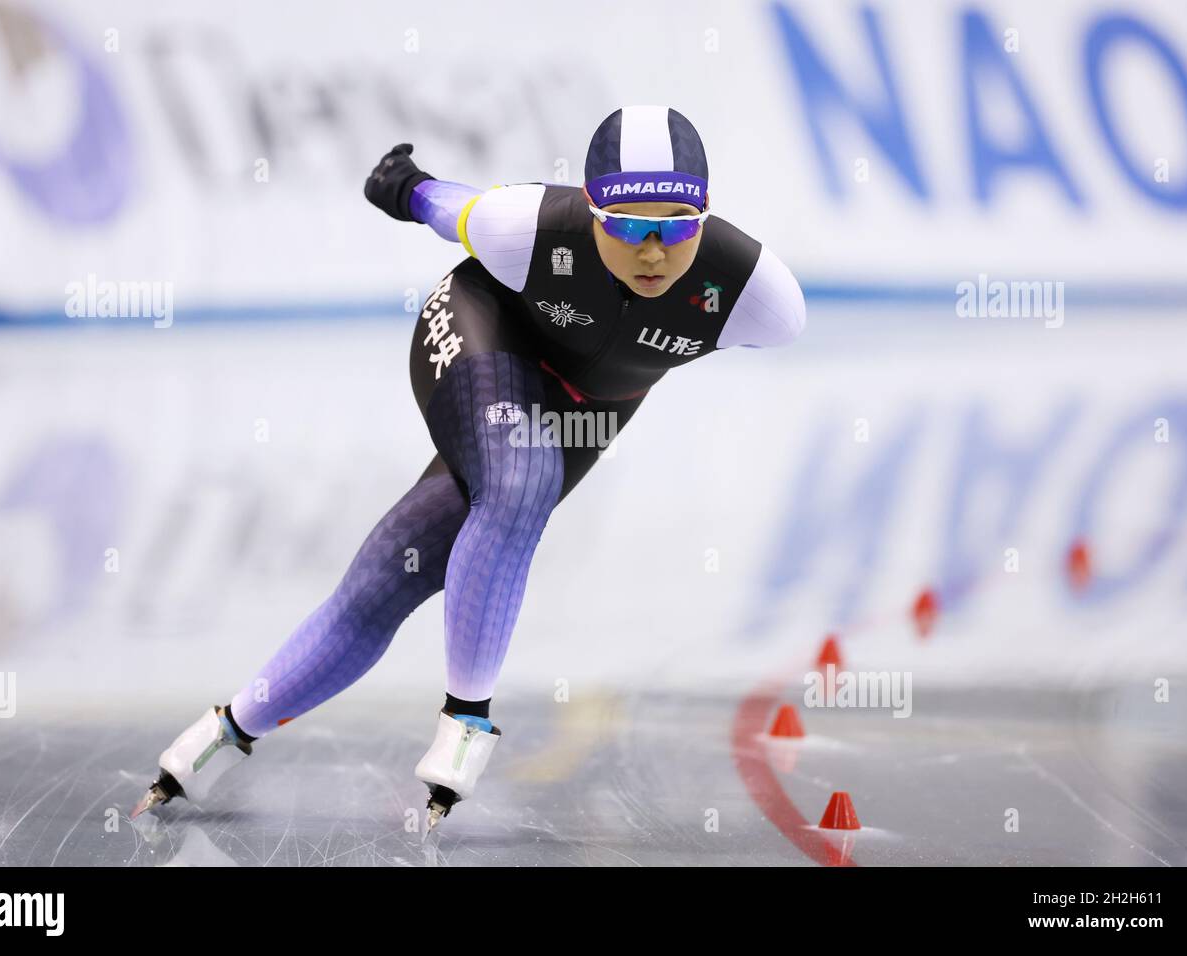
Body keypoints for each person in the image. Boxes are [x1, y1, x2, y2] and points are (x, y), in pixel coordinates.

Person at [132, 105, 806, 832]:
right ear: (590, 210)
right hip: (486, 329)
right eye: (625, 224)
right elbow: (451, 209)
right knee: (519, 480)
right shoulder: (531, 230)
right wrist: (404, 185)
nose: (651, 250)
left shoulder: (762, 299)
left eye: (674, 226)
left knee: (395, 572)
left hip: (592, 409)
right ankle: (468, 719)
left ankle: (221, 737)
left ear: (706, 218)